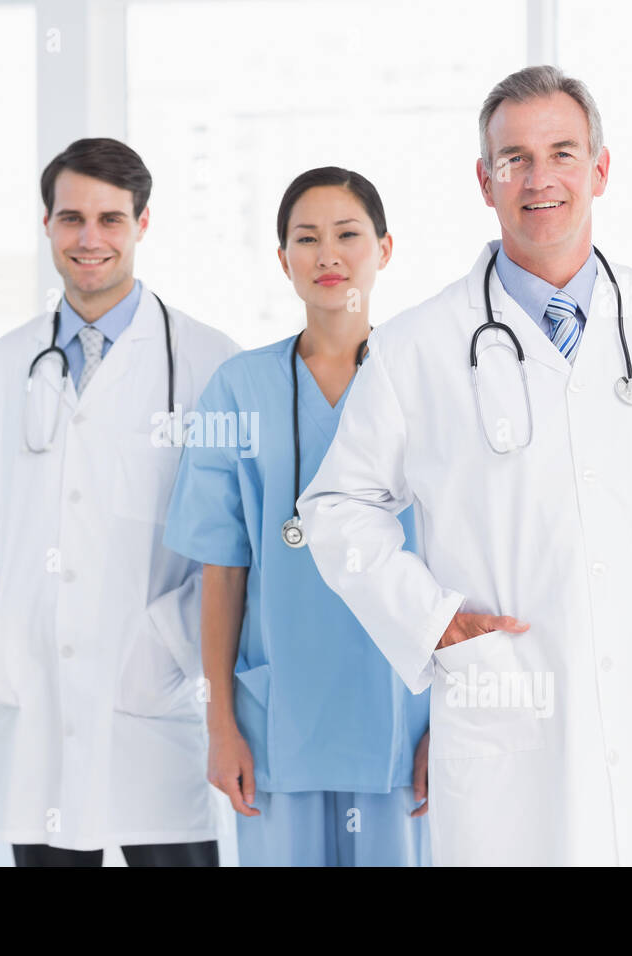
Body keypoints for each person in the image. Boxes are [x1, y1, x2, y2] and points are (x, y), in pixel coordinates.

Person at [298, 66, 632, 866]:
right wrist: (431, 619)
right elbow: (337, 506)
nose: (540, 178)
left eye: (562, 152)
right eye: (514, 158)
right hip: (502, 703)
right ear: (485, 182)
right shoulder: (420, 343)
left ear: (601, 169)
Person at [0, 137, 239, 866]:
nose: (90, 238)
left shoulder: (210, 364)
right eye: (72, 217)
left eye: (110, 219)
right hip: (34, 690)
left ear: (143, 224)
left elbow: (236, 540)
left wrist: (170, 645)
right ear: (46, 224)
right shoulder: (2, 366)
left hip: (155, 704)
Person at [162, 167, 432, 866]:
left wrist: (450, 725)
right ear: (284, 260)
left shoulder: (427, 382)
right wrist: (220, 722)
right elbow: (222, 570)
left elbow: (463, 557)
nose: (328, 255)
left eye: (348, 234)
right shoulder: (240, 388)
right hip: (279, 717)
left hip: (400, 715)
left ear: (386, 248)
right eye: (306, 239)